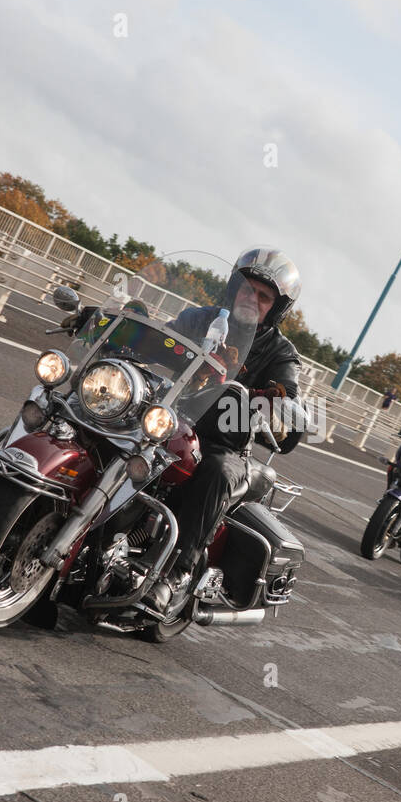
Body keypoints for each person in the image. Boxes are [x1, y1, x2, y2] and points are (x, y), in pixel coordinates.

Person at [146, 247, 304, 615]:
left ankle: (176, 572)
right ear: (233, 288)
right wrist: (126, 328)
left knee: (216, 471)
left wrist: (278, 401)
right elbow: (160, 341)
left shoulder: (280, 353)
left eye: (264, 296)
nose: (252, 298)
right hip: (170, 418)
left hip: (226, 443)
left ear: (276, 307)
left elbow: (289, 398)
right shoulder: (200, 319)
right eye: (247, 289)